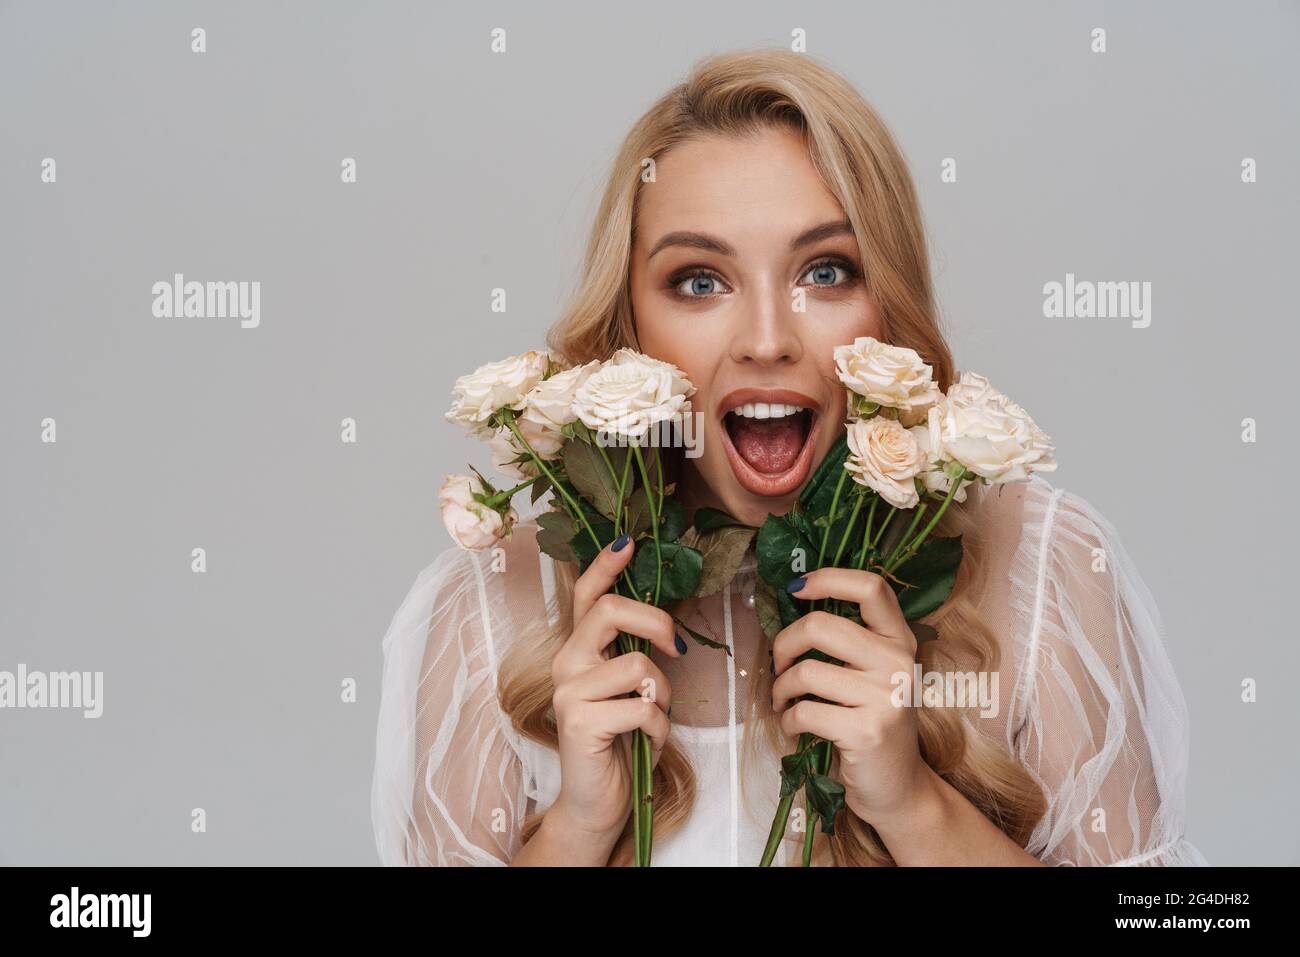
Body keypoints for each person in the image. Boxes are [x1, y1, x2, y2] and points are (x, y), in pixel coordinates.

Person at [370, 49, 1207, 867]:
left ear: (889, 306)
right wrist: (580, 828)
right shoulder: (486, 611)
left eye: (827, 271)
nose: (767, 340)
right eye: (700, 281)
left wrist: (913, 806)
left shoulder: (1042, 569)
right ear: (629, 326)